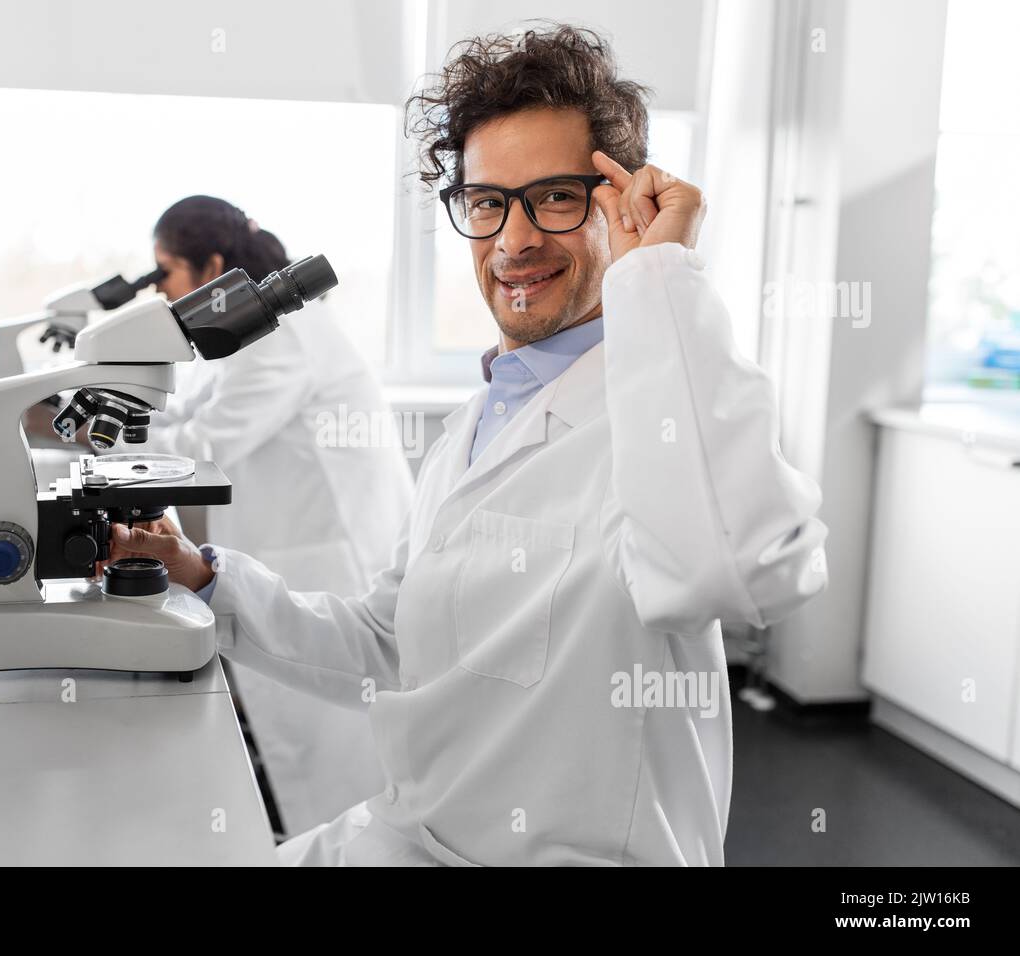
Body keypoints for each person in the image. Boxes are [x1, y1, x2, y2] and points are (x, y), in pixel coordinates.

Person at [108, 24, 829, 865]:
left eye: (556, 197)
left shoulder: (662, 416)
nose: (514, 241)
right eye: (488, 204)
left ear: (624, 203)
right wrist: (205, 576)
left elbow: (744, 569)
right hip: (415, 833)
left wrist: (659, 278)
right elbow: (389, 643)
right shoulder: (479, 420)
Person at [107, 196, 414, 836]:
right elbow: (187, 419)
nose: (160, 290)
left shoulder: (285, 337)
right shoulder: (250, 338)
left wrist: (98, 438)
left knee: (339, 767)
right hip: (302, 555)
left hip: (335, 567)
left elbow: (201, 451)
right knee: (305, 754)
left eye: (165, 272)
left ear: (211, 265)